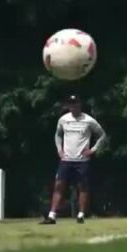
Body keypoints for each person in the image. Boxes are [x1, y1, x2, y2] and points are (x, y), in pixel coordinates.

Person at [40, 95, 107, 224]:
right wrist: (59, 149)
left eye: (75, 104)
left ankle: (81, 214)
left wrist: (92, 150)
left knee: (82, 187)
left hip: (82, 160)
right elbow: (58, 134)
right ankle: (52, 215)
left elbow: (102, 135)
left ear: (79, 105)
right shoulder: (63, 120)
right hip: (66, 159)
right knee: (59, 185)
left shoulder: (88, 120)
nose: (73, 106)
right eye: (70, 104)